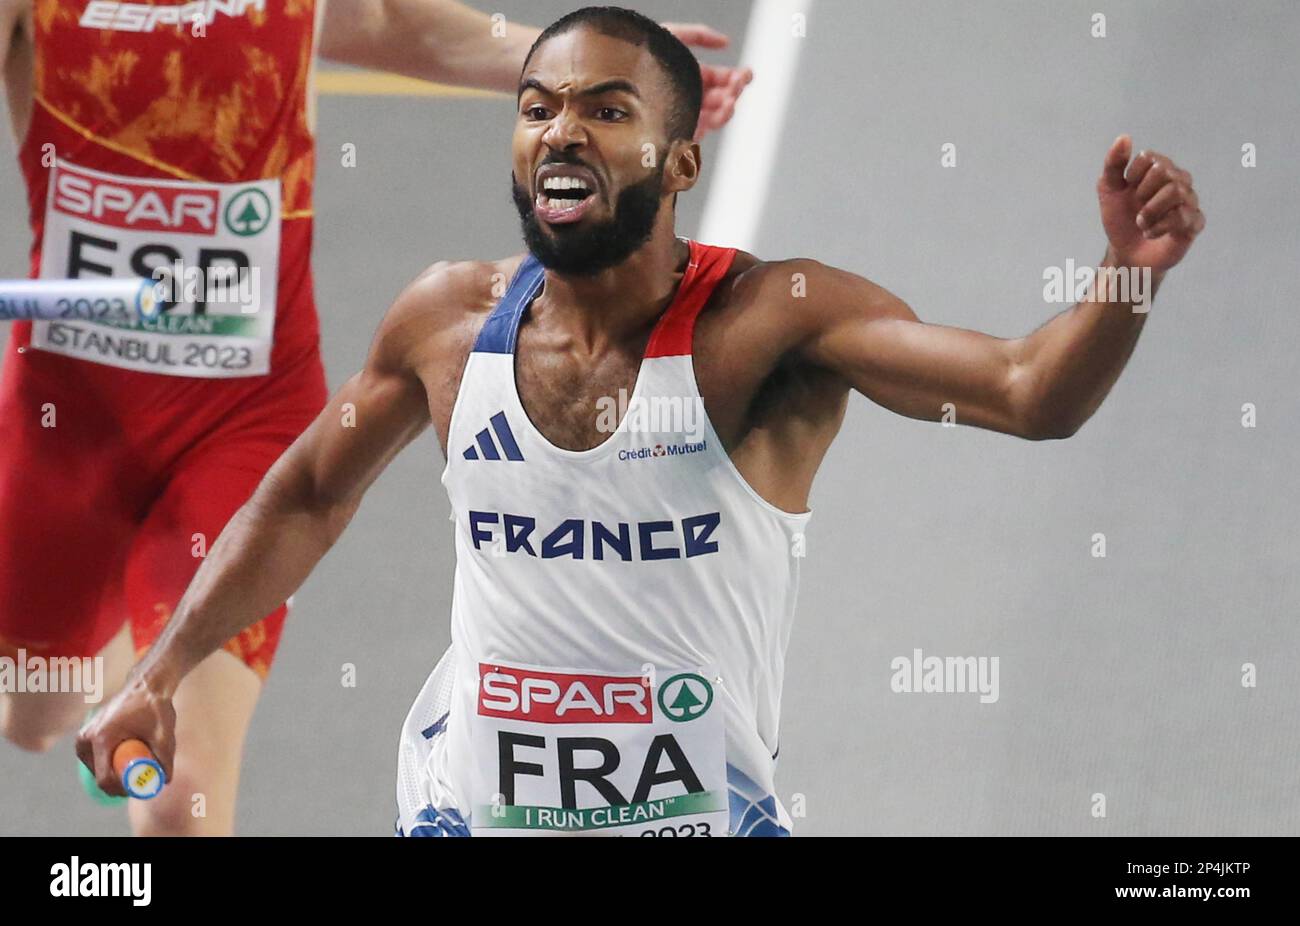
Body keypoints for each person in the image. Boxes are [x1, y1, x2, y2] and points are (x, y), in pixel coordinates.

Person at [78, 6, 1204, 836]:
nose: (560, 131)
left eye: (606, 111)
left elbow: (1025, 390)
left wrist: (1125, 273)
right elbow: (311, 495)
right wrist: (159, 670)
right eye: (538, 107)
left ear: (679, 161)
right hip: (464, 814)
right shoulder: (444, 321)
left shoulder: (771, 326)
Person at [0, 0, 750, 836]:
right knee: (33, 712)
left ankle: (162, 651)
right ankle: (134, 654)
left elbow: (400, 27)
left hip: (242, 414)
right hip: (68, 420)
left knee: (180, 805)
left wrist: (626, 75)